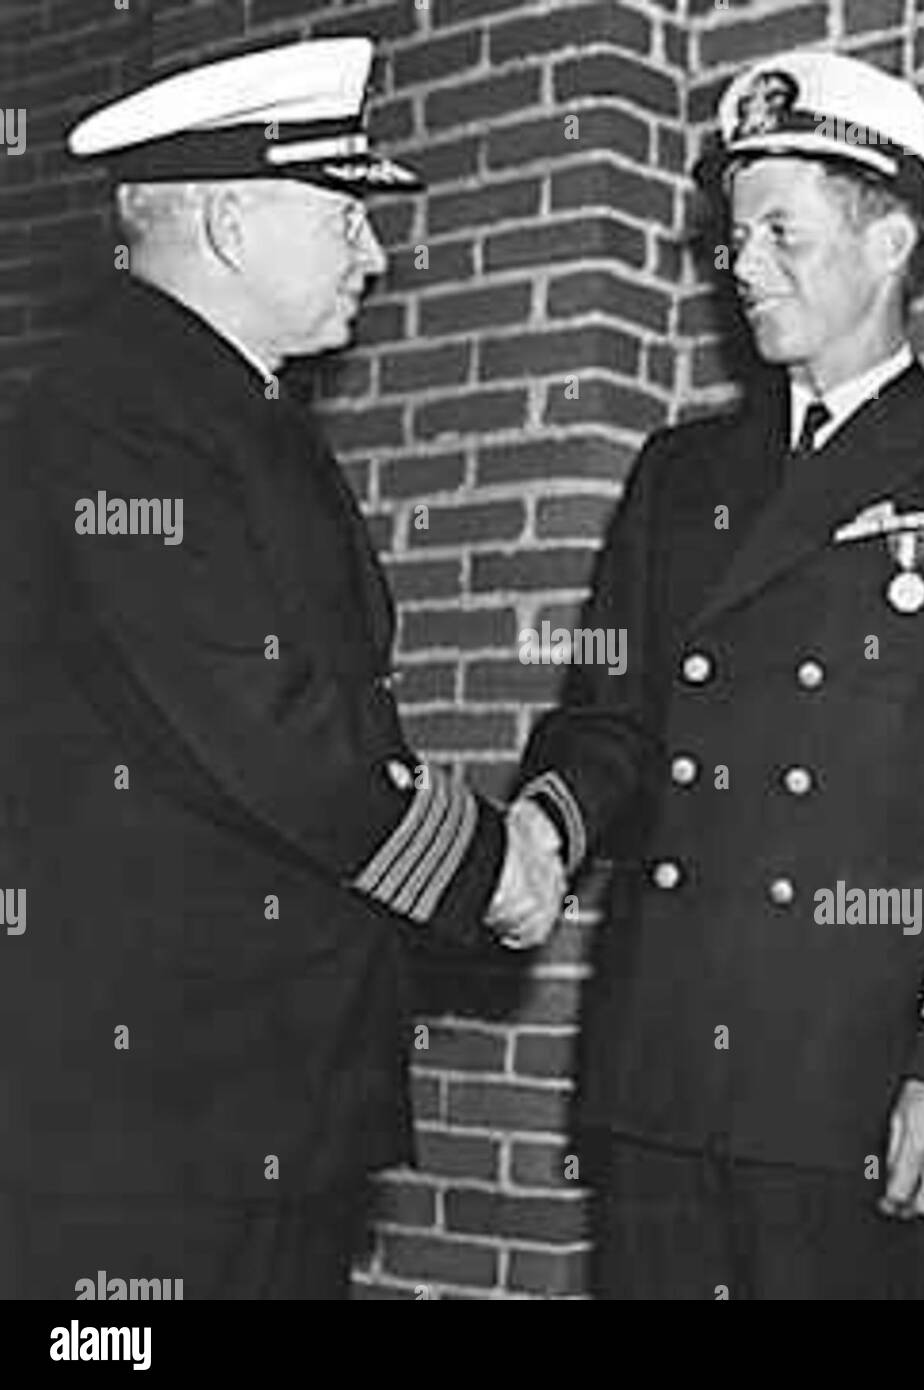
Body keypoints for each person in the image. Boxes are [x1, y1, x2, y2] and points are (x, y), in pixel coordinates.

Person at [511, 49, 924, 1299]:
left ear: (889, 239)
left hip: (857, 1075)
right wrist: (542, 827)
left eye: (780, 229)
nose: (743, 265)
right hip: (660, 1057)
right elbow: (608, 719)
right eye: (733, 235)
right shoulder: (678, 476)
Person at [0, 37, 562, 1300]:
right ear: (235, 224)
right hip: (146, 1108)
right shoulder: (114, 416)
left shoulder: (231, 414)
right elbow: (258, 726)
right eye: (349, 212)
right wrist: (485, 863)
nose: (376, 250)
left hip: (258, 1086)